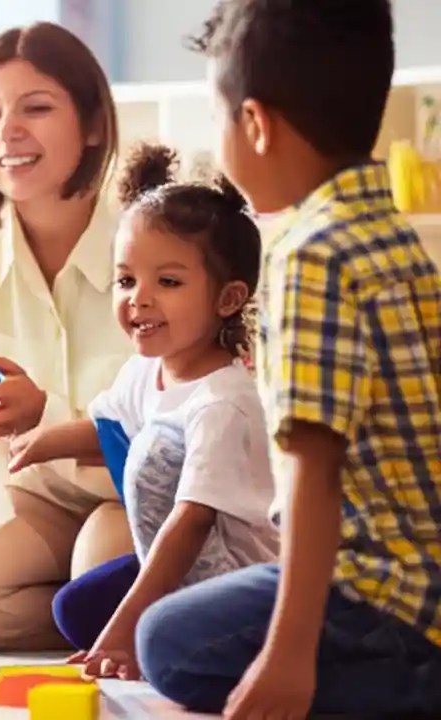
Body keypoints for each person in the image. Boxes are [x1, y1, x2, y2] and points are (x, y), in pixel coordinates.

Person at [136, 2, 441, 717]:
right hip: (421, 580)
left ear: (256, 125)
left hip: (377, 597)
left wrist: (287, 654)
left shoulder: (310, 256)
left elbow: (314, 467)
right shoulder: (398, 241)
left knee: (166, 644)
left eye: (218, 121)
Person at [9, 143, 278, 678]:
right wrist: (43, 440)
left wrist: (125, 625)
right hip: (180, 565)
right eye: (127, 280)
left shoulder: (225, 402)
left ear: (227, 300)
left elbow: (190, 522)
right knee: (72, 609)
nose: (138, 299)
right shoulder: (145, 369)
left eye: (169, 282)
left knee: (150, 639)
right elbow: (109, 426)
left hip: (240, 578)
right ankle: (160, 628)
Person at [0, 21, 136, 651]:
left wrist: (48, 416)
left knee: (98, 570)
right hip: (36, 502)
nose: (6, 131)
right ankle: (88, 615)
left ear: (91, 126)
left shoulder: (148, 255)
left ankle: (106, 605)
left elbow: (168, 434)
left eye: (35, 108)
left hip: (136, 503)